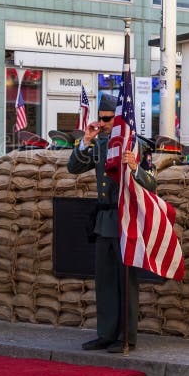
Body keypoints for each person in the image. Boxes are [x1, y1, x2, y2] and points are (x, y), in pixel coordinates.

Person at [67, 93, 156, 353]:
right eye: (101, 119)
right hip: (105, 220)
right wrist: (85, 141)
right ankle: (106, 333)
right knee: (105, 281)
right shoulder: (99, 145)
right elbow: (73, 168)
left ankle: (126, 336)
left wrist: (136, 168)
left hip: (126, 219)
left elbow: (153, 183)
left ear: (118, 119)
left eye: (107, 119)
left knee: (125, 281)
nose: (102, 123)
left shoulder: (136, 145)